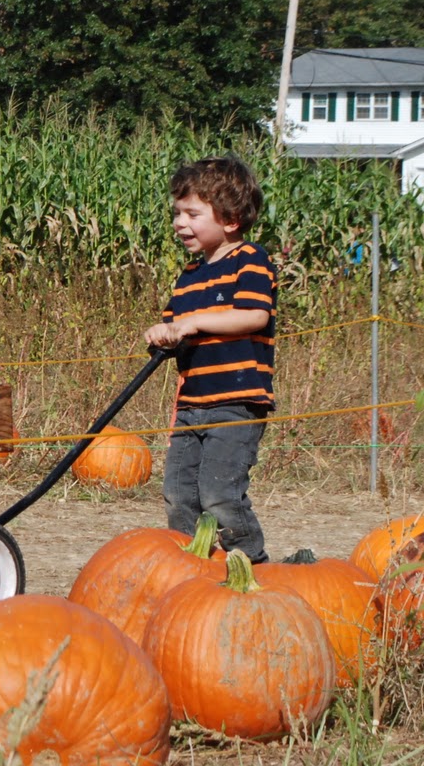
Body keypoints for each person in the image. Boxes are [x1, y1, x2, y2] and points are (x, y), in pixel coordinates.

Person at [143, 155, 276, 564]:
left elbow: (255, 314)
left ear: (231, 219)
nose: (179, 223)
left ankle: (252, 563)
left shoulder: (250, 260)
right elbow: (175, 326)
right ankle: (190, 572)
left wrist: (195, 322)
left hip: (236, 404)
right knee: (180, 493)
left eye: (192, 213)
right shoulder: (190, 275)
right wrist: (161, 335)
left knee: (218, 494)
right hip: (191, 407)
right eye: (177, 213)